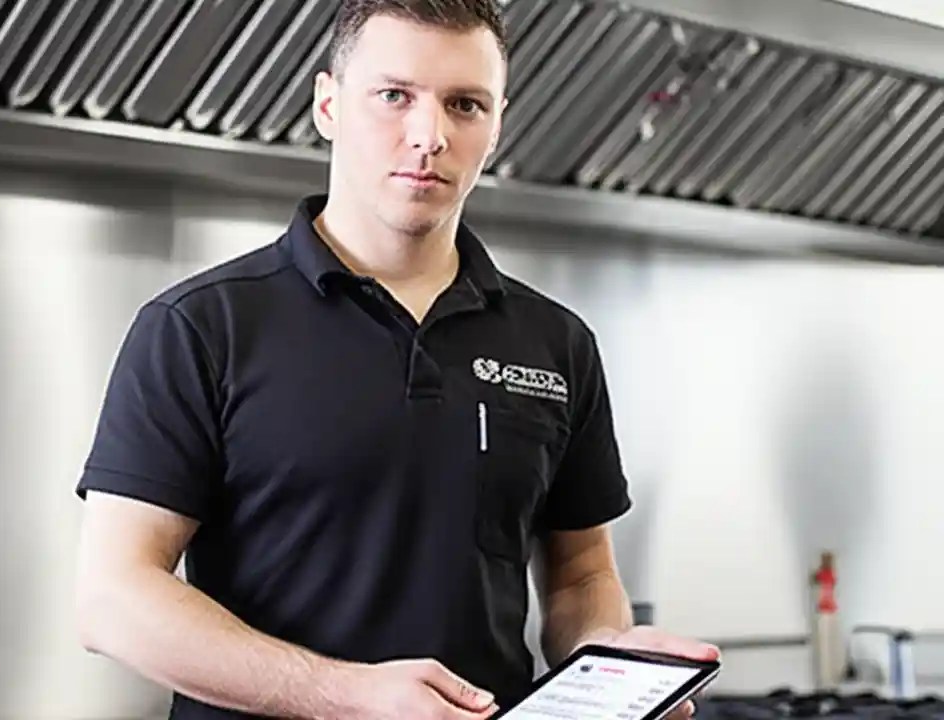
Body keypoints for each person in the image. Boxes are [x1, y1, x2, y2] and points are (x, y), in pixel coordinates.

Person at [73, 1, 720, 718]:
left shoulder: (556, 343)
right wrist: (344, 694)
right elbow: (114, 597)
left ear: (497, 122)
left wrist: (609, 660)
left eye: (464, 105)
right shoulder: (201, 327)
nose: (429, 135)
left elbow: (579, 576)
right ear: (328, 104)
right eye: (394, 96)